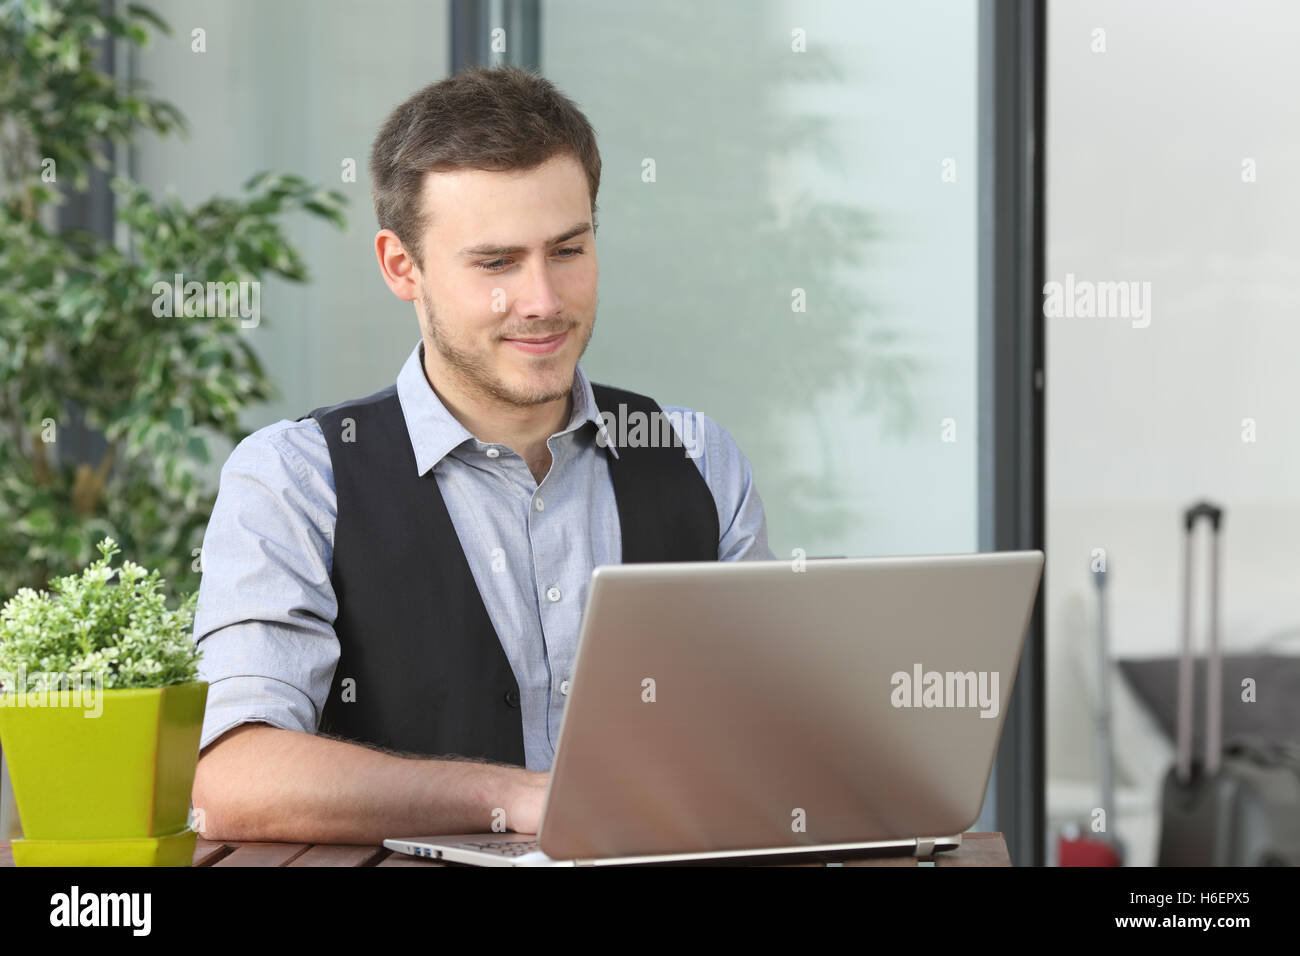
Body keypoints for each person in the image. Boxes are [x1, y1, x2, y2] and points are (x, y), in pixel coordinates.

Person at [190, 66, 774, 846]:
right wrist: (519, 798)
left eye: (567, 249)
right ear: (403, 267)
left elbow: (774, 736)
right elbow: (236, 780)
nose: (541, 300)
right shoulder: (297, 480)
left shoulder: (700, 460)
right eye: (495, 264)